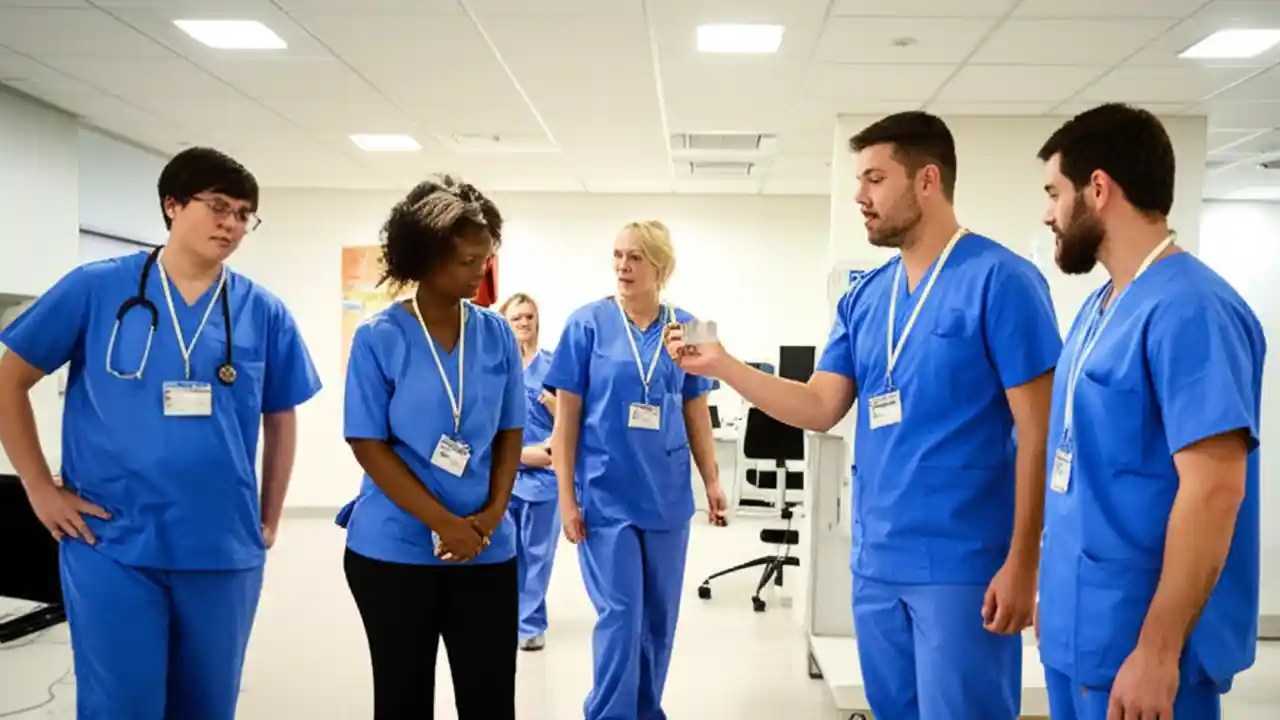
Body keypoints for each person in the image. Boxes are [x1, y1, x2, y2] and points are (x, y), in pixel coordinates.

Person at [666, 111, 1063, 720]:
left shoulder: (1002, 282)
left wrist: (1024, 562)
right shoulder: (865, 297)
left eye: (874, 179)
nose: (859, 196)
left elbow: (1038, 432)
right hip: (877, 560)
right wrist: (725, 367)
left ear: (926, 181)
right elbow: (821, 406)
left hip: (962, 566)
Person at [0, 147, 321, 719]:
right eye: (218, 206)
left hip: (222, 546)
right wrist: (38, 489)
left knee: (207, 705)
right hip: (112, 541)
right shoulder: (96, 289)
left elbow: (281, 414)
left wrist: (269, 514)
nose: (232, 223)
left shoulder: (262, 311)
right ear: (172, 205)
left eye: (245, 214)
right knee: (122, 705)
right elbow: (9, 380)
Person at [1034, 103, 1265, 719]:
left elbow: (1215, 490)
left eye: (1055, 193)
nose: (1048, 213)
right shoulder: (1100, 307)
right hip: (1080, 631)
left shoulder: (1192, 310)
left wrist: (1159, 651)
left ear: (1099, 190)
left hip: (1141, 646)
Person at [336, 175, 524, 720]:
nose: (479, 273)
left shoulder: (496, 335)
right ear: (425, 256)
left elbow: (511, 432)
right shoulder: (379, 338)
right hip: (394, 550)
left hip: (487, 546)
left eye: (484, 260)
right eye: (467, 261)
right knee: (402, 701)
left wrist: (489, 517)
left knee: (490, 701)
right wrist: (445, 523)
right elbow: (368, 445)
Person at [544, 220, 728, 720]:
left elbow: (697, 412)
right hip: (606, 495)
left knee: (660, 620)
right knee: (622, 616)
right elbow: (567, 419)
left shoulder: (692, 328)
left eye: (636, 257)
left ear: (660, 266)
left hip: (667, 496)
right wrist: (566, 498)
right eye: (618, 256)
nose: (624, 266)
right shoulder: (585, 324)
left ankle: (647, 711)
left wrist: (711, 479)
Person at [499, 291, 560, 651]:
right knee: (507, 553)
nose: (523, 323)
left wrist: (555, 410)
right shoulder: (494, 370)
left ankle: (530, 624)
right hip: (506, 474)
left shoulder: (554, 368)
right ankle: (509, 615)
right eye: (516, 318)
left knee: (537, 555)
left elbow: (573, 426)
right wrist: (523, 455)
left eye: (529, 316)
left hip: (544, 479)